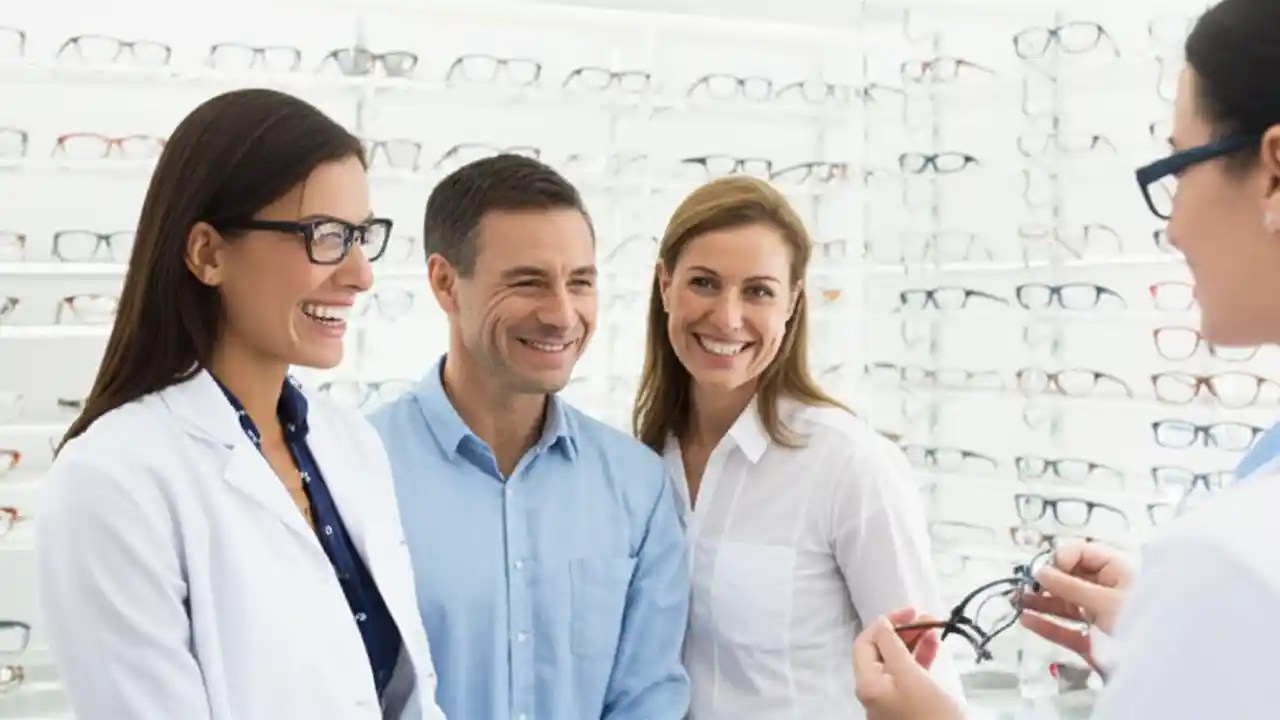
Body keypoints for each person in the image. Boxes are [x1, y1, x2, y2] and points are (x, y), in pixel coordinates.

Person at [852, 0, 1280, 717]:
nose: (1172, 228)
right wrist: (1171, 646)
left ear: (1273, 172)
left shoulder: (1233, 558)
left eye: (1177, 168)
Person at [34, 89, 446, 720]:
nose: (361, 273)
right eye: (326, 236)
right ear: (207, 253)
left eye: (361, 236)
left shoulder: (349, 443)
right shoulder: (112, 480)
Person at [367, 154, 690, 720]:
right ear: (446, 283)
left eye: (580, 282)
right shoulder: (356, 472)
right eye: (528, 282)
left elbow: (649, 700)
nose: (563, 315)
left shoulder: (638, 487)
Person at [631, 175, 962, 719]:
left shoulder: (848, 465)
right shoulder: (637, 465)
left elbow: (929, 687)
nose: (728, 317)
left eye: (758, 290)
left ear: (792, 302)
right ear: (664, 285)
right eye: (704, 283)